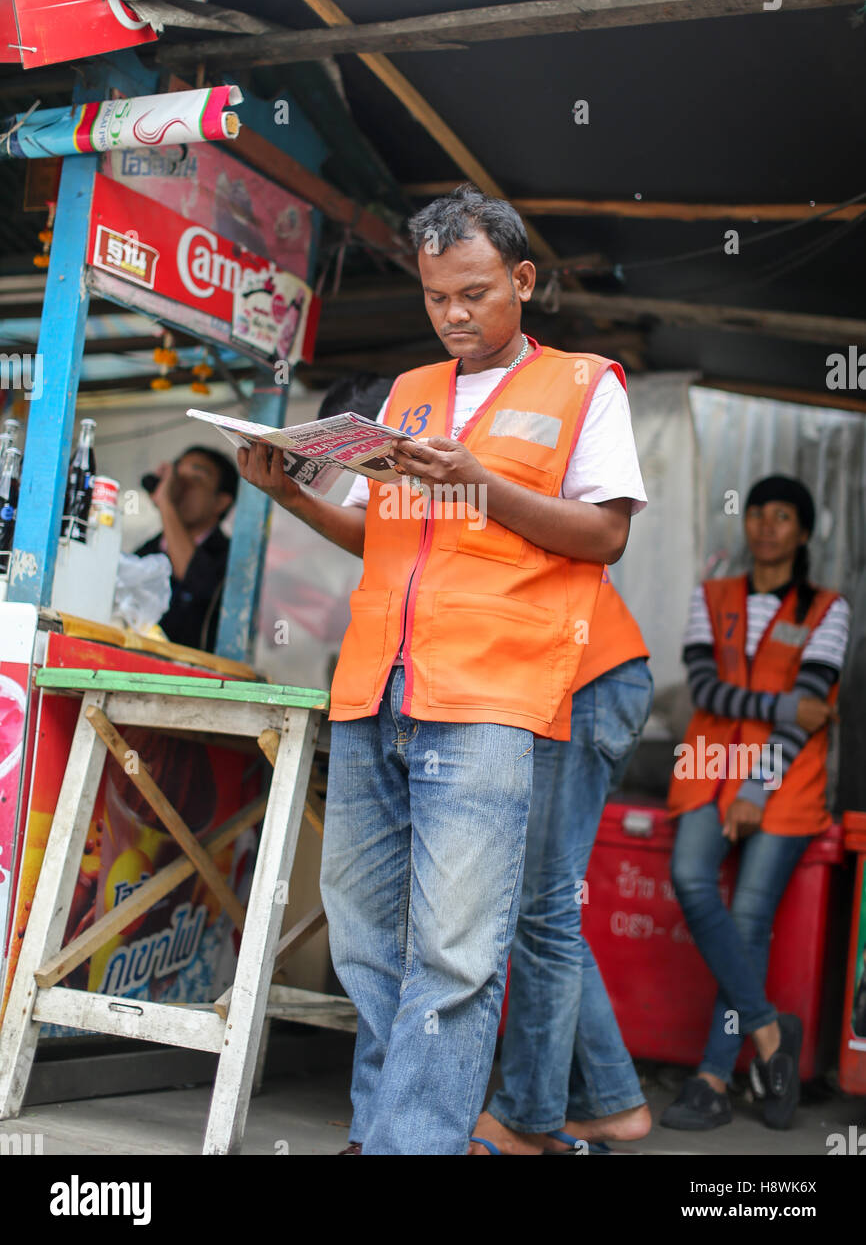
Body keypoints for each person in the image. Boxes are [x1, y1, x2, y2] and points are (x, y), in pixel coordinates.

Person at [238, 183, 641, 1156]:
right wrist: (286, 493)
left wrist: (481, 483)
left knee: (457, 950)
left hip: (491, 695)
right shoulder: (408, 391)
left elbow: (604, 535)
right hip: (377, 686)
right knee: (370, 939)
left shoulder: (585, 384)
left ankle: (413, 1141)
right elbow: (385, 539)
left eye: (472, 293)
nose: (454, 315)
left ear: (522, 278)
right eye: (435, 298)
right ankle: (387, 1128)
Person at [661, 475, 850, 1132]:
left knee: (747, 917)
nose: (766, 526)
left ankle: (712, 1079)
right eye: (757, 515)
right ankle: (770, 1033)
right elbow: (706, 689)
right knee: (689, 876)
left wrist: (755, 785)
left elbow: (811, 715)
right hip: (708, 765)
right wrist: (775, 704)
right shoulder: (710, 597)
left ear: (802, 532)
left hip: (786, 776)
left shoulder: (828, 608)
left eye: (782, 517)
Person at [470, 576, 654, 1155]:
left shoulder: (466, 486)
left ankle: (529, 1116)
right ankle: (614, 1103)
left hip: (578, 680)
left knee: (544, 911)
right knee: (548, 913)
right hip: (596, 675)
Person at [136, 445, 238, 653]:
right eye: (179, 475)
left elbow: (196, 581)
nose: (181, 485)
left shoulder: (233, 557)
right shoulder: (145, 551)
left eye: (197, 479)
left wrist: (166, 503)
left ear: (220, 502)